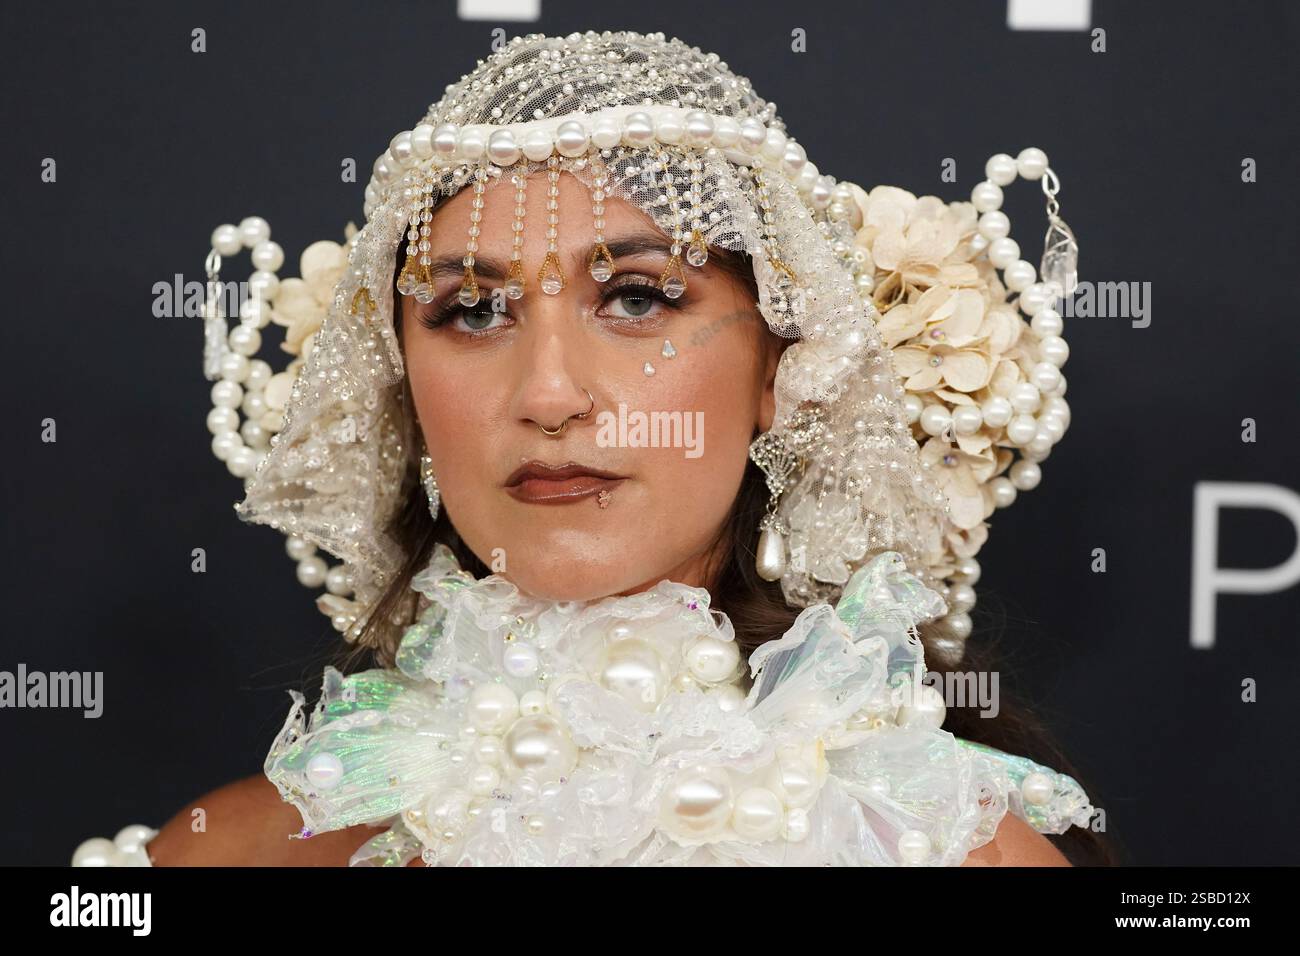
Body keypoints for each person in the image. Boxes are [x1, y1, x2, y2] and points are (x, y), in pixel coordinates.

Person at [72, 30, 1105, 867]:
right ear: (401, 381)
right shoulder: (236, 854)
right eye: (471, 311)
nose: (550, 392)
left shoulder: (945, 846)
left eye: (640, 297)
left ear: (782, 370)